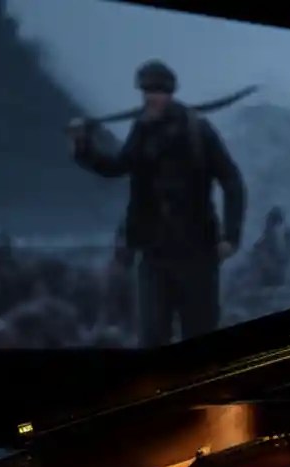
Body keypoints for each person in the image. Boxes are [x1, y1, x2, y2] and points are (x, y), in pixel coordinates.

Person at [70, 60, 246, 347]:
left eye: (158, 90)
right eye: (147, 90)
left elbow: (232, 182)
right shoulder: (142, 130)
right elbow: (115, 167)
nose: (152, 96)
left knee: (200, 334)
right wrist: (83, 146)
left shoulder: (198, 130)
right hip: (153, 253)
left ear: (170, 92)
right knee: (151, 338)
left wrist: (231, 236)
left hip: (197, 254)